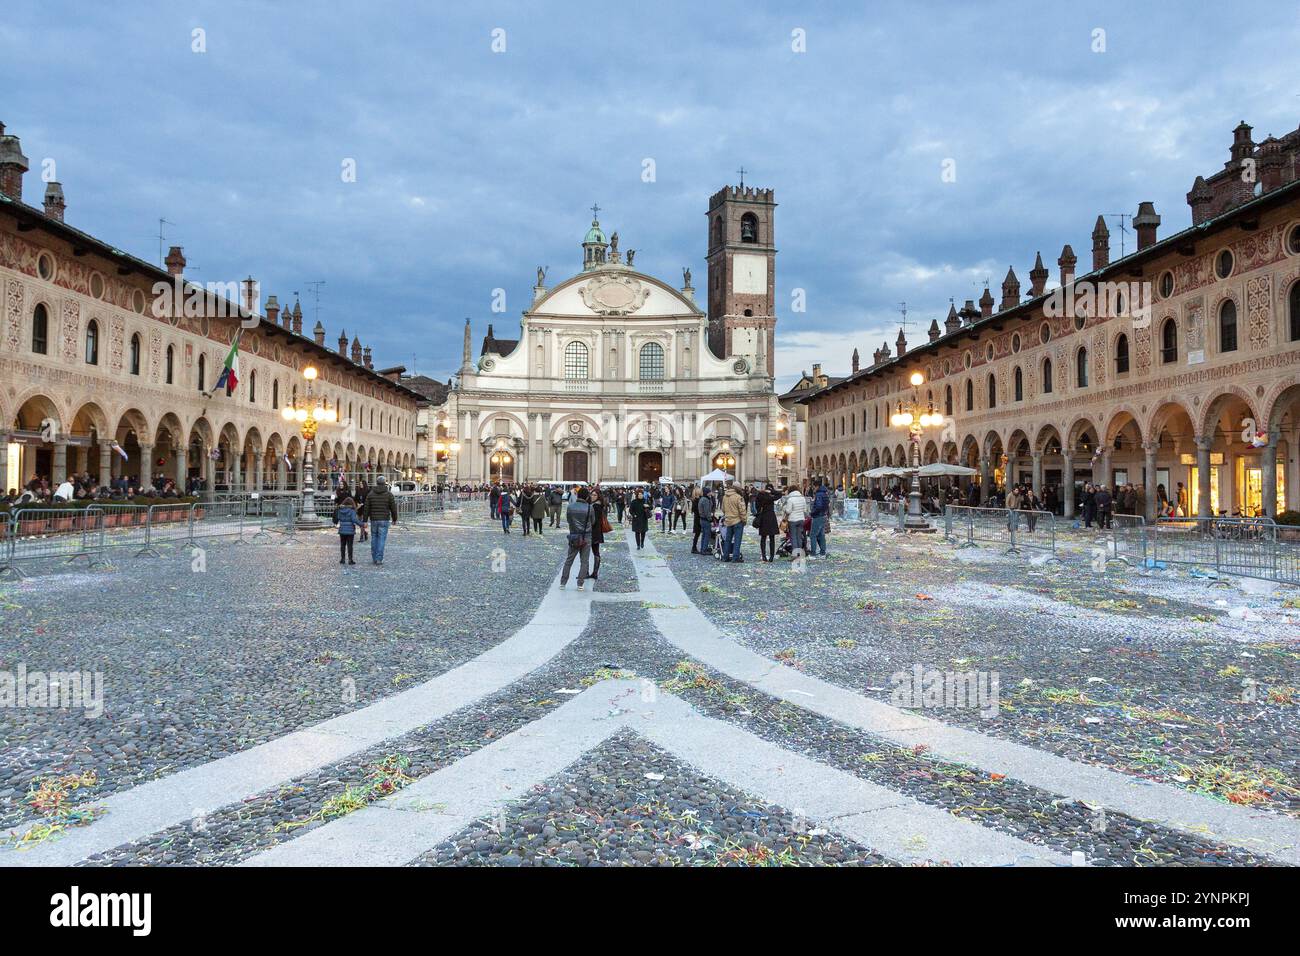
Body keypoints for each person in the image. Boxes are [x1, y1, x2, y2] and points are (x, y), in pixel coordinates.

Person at [560, 487, 594, 591]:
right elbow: (593, 521)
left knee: (569, 560)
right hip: (586, 537)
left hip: (574, 536)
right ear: (587, 496)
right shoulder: (589, 507)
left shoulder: (570, 507)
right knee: (584, 561)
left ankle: (563, 582)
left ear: (577, 495)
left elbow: (569, 520)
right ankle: (580, 584)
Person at [361, 474, 398, 564]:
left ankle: (374, 557)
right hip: (384, 520)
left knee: (374, 538)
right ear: (385, 483)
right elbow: (393, 508)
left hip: (374, 519)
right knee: (381, 539)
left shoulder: (370, 494)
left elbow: (366, 508)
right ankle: (378, 558)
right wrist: (394, 519)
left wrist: (365, 521)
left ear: (377, 483)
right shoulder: (389, 494)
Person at [721, 481, 746, 562]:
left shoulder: (725, 496)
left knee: (727, 540)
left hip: (728, 521)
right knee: (737, 541)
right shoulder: (738, 497)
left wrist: (727, 515)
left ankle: (725, 556)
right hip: (737, 521)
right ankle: (735, 557)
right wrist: (744, 520)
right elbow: (742, 511)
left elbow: (723, 509)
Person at [781, 485, 808, 555]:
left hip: (792, 520)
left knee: (793, 537)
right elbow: (805, 510)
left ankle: (795, 554)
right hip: (801, 519)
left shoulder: (790, 499)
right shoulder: (802, 498)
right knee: (799, 536)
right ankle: (800, 553)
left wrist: (784, 508)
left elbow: (788, 511)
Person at [755, 483, 780, 562]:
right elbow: (779, 494)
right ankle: (772, 556)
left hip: (763, 516)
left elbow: (757, 506)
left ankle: (764, 555)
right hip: (771, 517)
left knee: (763, 537)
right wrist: (772, 491)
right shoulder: (770, 497)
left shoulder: (760, 495)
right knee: (772, 538)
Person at [333, 496, 360, 565]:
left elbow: (338, 518)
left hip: (342, 529)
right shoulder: (352, 510)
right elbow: (354, 520)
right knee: (350, 545)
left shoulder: (340, 510)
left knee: (342, 545)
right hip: (350, 530)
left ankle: (342, 559)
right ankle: (350, 560)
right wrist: (362, 524)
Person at [589, 487, 607, 581]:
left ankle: (594, 573)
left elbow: (593, 521)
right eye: (592, 494)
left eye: (595, 495)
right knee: (596, 552)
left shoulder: (595, 506)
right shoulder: (599, 505)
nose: (592, 496)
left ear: (598, 496)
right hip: (597, 532)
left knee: (594, 552)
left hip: (593, 532)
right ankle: (594, 573)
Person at [809, 480, 830, 557]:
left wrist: (812, 513)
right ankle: (822, 552)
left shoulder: (819, 494)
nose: (813, 488)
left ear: (816, 486)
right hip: (823, 515)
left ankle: (813, 553)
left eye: (814, 487)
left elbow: (818, 506)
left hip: (818, 516)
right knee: (821, 535)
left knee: (813, 535)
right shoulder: (825, 493)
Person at [693, 487, 715, 553]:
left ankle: (703, 548)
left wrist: (712, 498)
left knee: (704, 535)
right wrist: (710, 520)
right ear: (707, 492)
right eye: (710, 491)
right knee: (707, 535)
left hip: (702, 519)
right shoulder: (705, 500)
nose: (711, 492)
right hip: (705, 520)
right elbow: (707, 512)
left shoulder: (703, 499)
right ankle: (704, 549)